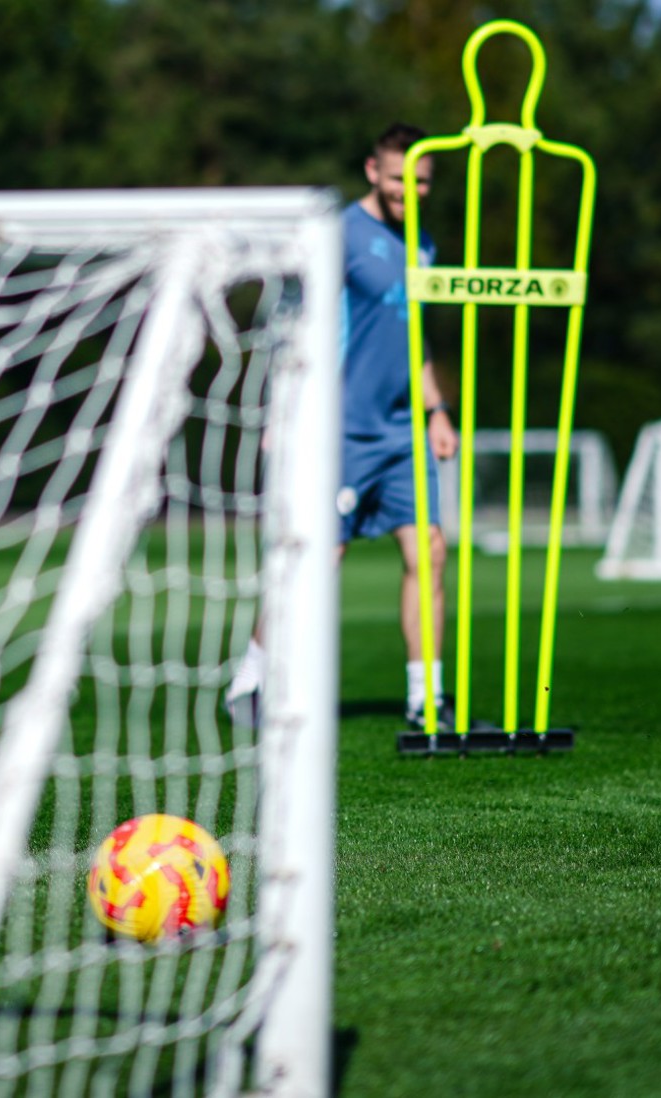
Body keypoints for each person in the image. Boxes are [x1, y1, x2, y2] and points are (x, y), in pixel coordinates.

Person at [226, 123, 461, 732]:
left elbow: (415, 340)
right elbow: (294, 323)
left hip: (402, 431)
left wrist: (436, 409)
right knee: (317, 558)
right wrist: (285, 411)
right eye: (399, 177)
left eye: (423, 181)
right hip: (337, 430)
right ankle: (253, 675)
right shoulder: (340, 236)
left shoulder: (426, 247)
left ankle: (426, 696)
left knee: (430, 552)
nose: (410, 189)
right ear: (373, 171)